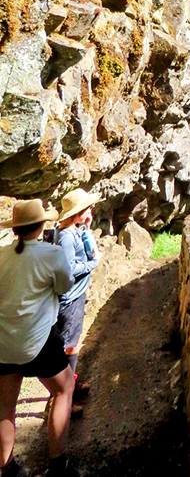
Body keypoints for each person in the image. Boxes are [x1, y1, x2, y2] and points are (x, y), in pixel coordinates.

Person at [0, 199, 77, 477]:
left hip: (3, 342)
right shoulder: (51, 254)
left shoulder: (0, 256)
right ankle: (58, 465)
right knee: (63, 389)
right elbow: (65, 284)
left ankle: (7, 469)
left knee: (5, 407)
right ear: (41, 225)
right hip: (39, 339)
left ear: (16, 229)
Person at [56, 190, 101, 380]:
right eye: (87, 207)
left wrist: (87, 229)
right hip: (71, 298)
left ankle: (68, 385)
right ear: (78, 211)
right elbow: (68, 268)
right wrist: (92, 265)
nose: (90, 209)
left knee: (74, 340)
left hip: (76, 295)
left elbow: (89, 251)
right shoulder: (66, 236)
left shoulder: (76, 230)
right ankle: (64, 392)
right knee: (69, 345)